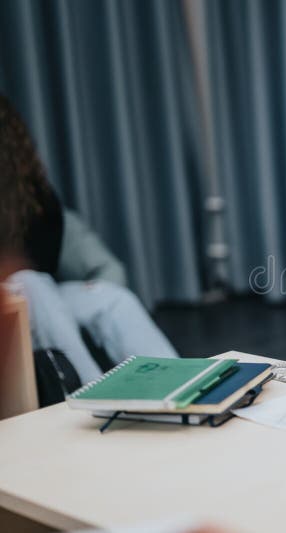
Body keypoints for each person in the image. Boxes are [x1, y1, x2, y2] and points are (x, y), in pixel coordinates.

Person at [0, 93, 178, 386]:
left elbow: (45, 253)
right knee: (31, 283)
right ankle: (94, 393)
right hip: (22, 295)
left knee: (112, 299)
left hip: (38, 293)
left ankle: (177, 388)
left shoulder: (30, 194)